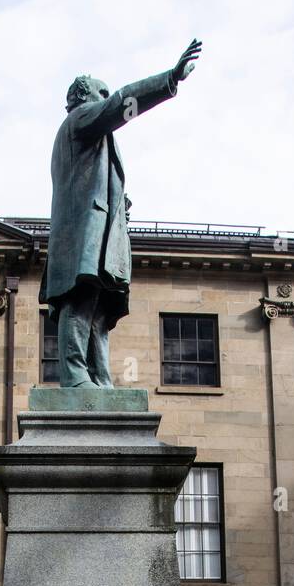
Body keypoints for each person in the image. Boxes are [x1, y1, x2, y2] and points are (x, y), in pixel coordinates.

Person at [40, 39, 202, 387]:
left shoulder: (90, 137)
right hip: (83, 231)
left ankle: (99, 377)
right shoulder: (80, 120)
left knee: (98, 309)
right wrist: (168, 80)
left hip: (98, 232)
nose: (107, 97)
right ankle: (75, 377)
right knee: (81, 299)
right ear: (87, 96)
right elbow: (120, 103)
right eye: (103, 92)